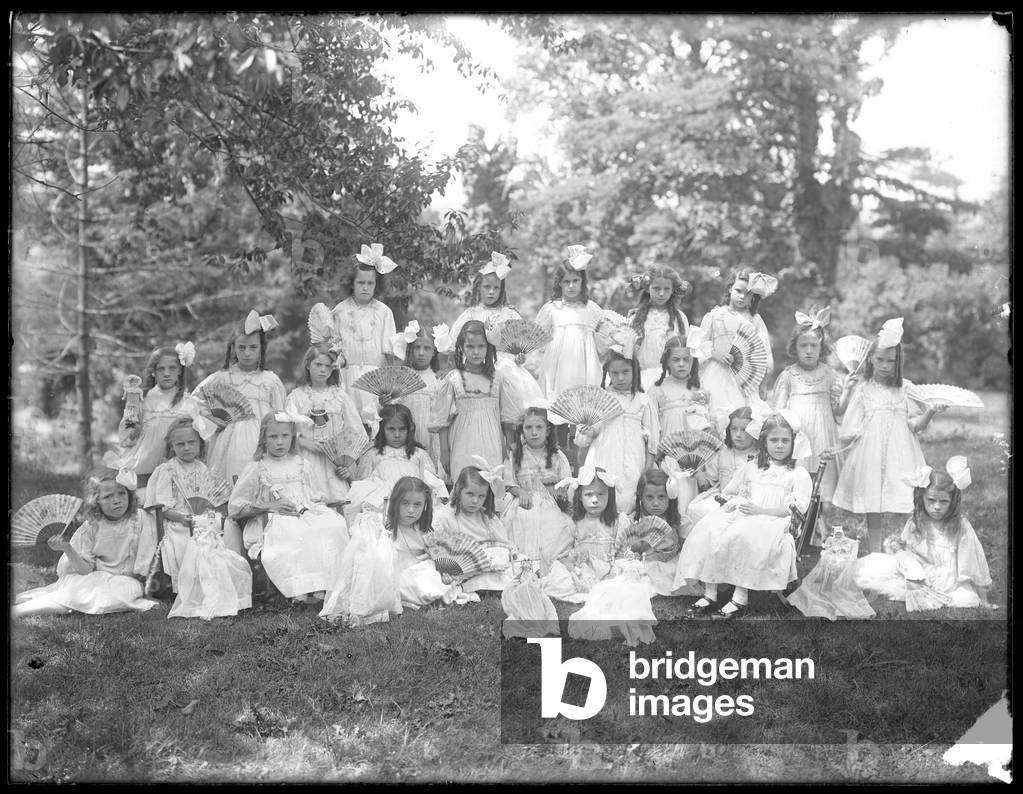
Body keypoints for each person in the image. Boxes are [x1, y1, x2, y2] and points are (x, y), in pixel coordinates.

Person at [673, 411, 812, 620]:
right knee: (710, 529)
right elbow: (730, 491)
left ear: (794, 443)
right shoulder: (753, 467)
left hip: (775, 519)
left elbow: (794, 509)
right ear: (764, 442)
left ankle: (740, 597)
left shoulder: (797, 474)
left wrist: (762, 511)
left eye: (785, 440)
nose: (780, 445)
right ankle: (709, 594)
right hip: (748, 512)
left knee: (741, 534)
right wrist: (736, 501)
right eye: (774, 440)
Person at [831, 318, 946, 553]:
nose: (884, 365)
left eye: (890, 361)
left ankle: (905, 545)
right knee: (874, 500)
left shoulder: (905, 388)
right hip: (870, 451)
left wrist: (931, 412)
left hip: (901, 451)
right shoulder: (864, 389)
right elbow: (851, 425)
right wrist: (844, 444)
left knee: (906, 497)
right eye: (880, 359)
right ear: (871, 359)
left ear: (898, 362)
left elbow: (916, 425)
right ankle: (875, 551)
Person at [228, 412, 349, 605]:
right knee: (292, 531)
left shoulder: (302, 464)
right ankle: (298, 590)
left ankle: (322, 585)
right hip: (273, 518)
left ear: (292, 437)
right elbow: (236, 508)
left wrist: (315, 508)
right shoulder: (257, 467)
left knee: (334, 525)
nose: (279, 442)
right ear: (263, 439)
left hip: (304, 512)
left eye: (285, 436)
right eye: (273, 437)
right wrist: (269, 505)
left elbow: (315, 495)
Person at [852, 458, 995, 611]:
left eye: (944, 501)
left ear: (953, 502)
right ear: (922, 498)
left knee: (966, 599)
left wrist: (984, 600)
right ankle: (918, 592)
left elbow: (973, 562)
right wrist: (909, 569)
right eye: (931, 500)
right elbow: (906, 555)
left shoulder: (961, 526)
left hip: (949, 581)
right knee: (871, 566)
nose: (937, 507)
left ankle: (933, 596)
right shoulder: (916, 522)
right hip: (920, 576)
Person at [14, 466, 157, 617]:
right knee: (77, 589)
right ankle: (19, 611)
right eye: (108, 497)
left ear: (129, 494)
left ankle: (54, 605)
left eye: (121, 493)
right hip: (95, 577)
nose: (116, 501)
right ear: (97, 501)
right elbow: (85, 570)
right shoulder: (91, 527)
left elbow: (147, 558)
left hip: (127, 581)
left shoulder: (140, 518)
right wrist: (67, 548)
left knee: (115, 593)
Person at [137, 415, 231, 595]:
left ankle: (209, 581)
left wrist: (208, 514)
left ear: (200, 444)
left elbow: (208, 498)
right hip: (176, 520)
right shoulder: (168, 470)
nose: (187, 447)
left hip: (198, 518)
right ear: (172, 446)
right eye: (180, 444)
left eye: (191, 442)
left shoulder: (202, 468)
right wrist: (180, 517)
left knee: (216, 529)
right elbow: (161, 506)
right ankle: (187, 584)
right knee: (183, 539)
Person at [772, 306, 853, 513]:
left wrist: (848, 391)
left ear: (821, 348)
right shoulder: (789, 376)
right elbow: (778, 412)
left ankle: (820, 528)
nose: (808, 351)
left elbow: (838, 412)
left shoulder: (830, 374)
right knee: (799, 481)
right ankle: (797, 526)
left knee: (821, 483)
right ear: (795, 348)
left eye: (813, 346)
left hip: (823, 433)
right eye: (803, 345)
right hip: (799, 434)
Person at [193, 310, 286, 485]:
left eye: (253, 347)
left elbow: (280, 416)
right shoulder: (222, 378)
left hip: (260, 442)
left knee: (260, 484)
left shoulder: (270, 381)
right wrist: (210, 418)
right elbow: (193, 403)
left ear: (262, 349)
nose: (247, 353)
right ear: (233, 348)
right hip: (227, 446)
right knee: (229, 483)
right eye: (241, 348)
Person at [575, 328, 659, 515]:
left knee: (630, 502)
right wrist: (585, 431)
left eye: (625, 372)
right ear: (608, 374)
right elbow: (584, 445)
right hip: (605, 457)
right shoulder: (600, 399)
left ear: (634, 371)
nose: (620, 378)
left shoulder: (643, 401)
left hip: (634, 461)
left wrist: (645, 473)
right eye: (615, 373)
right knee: (605, 498)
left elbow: (652, 445)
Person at [449, 251, 545, 414]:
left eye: (496, 288)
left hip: (506, 369)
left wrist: (519, 357)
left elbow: (520, 347)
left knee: (508, 411)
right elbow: (454, 345)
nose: (491, 292)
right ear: (478, 287)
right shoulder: (471, 314)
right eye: (487, 287)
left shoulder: (510, 314)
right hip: (476, 367)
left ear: (502, 289)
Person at [429, 320, 519, 482]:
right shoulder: (453, 379)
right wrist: (444, 451)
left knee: (491, 481)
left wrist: (508, 446)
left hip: (492, 441)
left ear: (488, 347)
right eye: (470, 347)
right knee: (464, 482)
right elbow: (443, 420)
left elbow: (507, 418)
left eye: (481, 346)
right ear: (462, 347)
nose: (476, 352)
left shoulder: (499, 379)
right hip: (461, 442)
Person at [285, 345, 366, 505]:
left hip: (333, 462)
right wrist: (305, 442)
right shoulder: (296, 397)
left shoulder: (340, 397)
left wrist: (345, 459)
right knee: (308, 501)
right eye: (318, 365)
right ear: (308, 365)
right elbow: (286, 430)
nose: (323, 370)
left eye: (328, 366)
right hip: (306, 458)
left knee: (337, 500)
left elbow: (356, 432)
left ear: (334, 368)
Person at [115, 342, 202, 491]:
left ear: (180, 370)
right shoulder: (141, 399)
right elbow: (126, 436)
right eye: (161, 369)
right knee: (144, 507)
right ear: (153, 372)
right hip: (143, 468)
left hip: (175, 472)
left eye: (172, 368)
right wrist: (134, 430)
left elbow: (195, 440)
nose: (167, 373)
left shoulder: (188, 403)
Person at [503, 403, 574, 575]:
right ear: (522, 430)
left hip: (550, 505)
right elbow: (509, 482)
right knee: (523, 519)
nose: (534, 432)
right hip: (524, 502)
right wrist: (521, 492)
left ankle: (547, 569)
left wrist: (559, 494)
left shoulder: (557, 456)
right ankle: (525, 567)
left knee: (552, 531)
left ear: (548, 430)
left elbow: (567, 484)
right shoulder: (516, 455)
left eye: (539, 427)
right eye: (528, 427)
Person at [331, 243, 399, 422]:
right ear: (351, 283)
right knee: (350, 423)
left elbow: (390, 353)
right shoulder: (340, 311)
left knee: (373, 424)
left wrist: (388, 388)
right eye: (360, 282)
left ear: (377, 285)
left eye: (370, 283)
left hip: (374, 379)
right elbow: (334, 346)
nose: (365, 288)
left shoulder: (384, 312)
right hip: (347, 377)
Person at [534, 244, 607, 405]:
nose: (571, 286)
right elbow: (537, 341)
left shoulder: (592, 309)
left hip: (585, 364)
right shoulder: (552, 309)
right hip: (558, 366)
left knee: (582, 407)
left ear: (583, 281)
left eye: (575, 280)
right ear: (559, 283)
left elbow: (604, 341)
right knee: (558, 405)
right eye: (566, 281)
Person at [387, 475, 475, 608]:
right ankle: (433, 594)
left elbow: (439, 557)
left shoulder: (423, 529)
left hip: (421, 569)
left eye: (417, 505)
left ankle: (438, 592)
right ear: (395, 502)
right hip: (397, 573)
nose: (411, 510)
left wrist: (445, 572)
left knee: (431, 571)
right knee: (408, 583)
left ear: (425, 505)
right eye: (405, 503)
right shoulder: (386, 529)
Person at [432, 463, 517, 593]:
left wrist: (510, 552)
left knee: (514, 562)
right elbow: (440, 552)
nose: (475, 501)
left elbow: (502, 542)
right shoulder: (444, 517)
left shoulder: (486, 515)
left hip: (492, 560)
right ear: (459, 489)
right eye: (470, 494)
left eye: (481, 496)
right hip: (467, 564)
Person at [698, 269, 776, 409]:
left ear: (753, 296)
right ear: (729, 289)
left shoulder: (755, 320)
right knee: (716, 411)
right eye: (738, 291)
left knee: (741, 413)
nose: (742, 297)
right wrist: (715, 353)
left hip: (744, 378)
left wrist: (764, 383)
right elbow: (698, 344)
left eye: (748, 294)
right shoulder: (715, 315)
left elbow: (765, 353)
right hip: (716, 373)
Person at [555, 466, 632, 584]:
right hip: (583, 572)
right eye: (589, 494)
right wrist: (574, 569)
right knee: (560, 577)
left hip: (611, 571)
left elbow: (623, 553)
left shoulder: (618, 521)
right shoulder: (574, 523)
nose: (595, 499)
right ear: (580, 496)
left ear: (609, 495)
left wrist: (616, 569)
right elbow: (563, 555)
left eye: (601, 494)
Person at [686, 406, 758, 524]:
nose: (738, 435)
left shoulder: (759, 455)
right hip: (723, 496)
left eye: (744, 430)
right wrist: (699, 475)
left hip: (749, 501)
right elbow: (712, 478)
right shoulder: (723, 452)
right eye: (734, 429)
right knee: (697, 510)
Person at [392, 320, 445, 475]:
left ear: (434, 351)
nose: (421, 353)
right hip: (407, 432)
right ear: (410, 350)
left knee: (429, 473)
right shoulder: (402, 377)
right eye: (417, 348)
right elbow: (393, 409)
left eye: (427, 348)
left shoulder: (438, 380)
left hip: (431, 435)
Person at [627, 266, 692, 390]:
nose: (661, 293)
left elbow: (685, 350)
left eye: (666, 289)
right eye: (656, 288)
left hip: (671, 379)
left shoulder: (680, 318)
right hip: (642, 378)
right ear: (647, 288)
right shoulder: (636, 318)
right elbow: (628, 352)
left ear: (673, 291)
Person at [628, 467, 689, 595]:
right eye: (649, 497)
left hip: (670, 564)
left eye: (661, 497)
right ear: (641, 498)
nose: (655, 503)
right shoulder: (634, 521)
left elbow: (688, 546)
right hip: (646, 565)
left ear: (670, 497)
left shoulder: (677, 520)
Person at [357, 403, 437, 492]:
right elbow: (362, 485)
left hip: (410, 501)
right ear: (382, 429)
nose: (397, 435)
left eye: (402, 429)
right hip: (380, 502)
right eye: (391, 429)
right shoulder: (372, 454)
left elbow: (430, 484)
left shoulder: (419, 454)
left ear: (409, 429)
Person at [647, 331, 714, 437]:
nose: (681, 364)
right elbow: (650, 426)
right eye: (676, 360)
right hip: (668, 448)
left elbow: (711, 421)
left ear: (693, 360)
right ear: (667, 361)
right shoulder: (657, 390)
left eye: (686, 359)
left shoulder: (701, 389)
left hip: (696, 448)